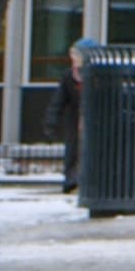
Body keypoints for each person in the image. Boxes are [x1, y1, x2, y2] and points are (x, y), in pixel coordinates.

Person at [44, 38, 97, 193]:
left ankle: (90, 180)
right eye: (72, 53)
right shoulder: (69, 76)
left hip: (94, 121)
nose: (73, 57)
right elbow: (58, 100)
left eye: (76, 54)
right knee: (72, 150)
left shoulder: (98, 74)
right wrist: (51, 121)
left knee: (91, 150)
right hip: (75, 120)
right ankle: (71, 180)